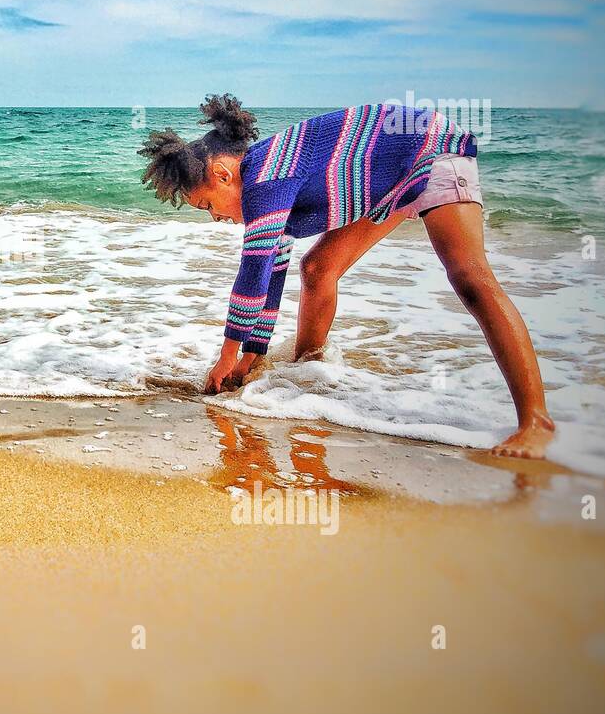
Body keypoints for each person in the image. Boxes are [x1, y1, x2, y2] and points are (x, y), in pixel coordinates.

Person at [138, 95, 555, 459]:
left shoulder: (264, 177)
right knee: (318, 268)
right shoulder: (265, 181)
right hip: (389, 180)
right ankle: (307, 374)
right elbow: (273, 271)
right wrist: (252, 353)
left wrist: (227, 355)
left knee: (470, 279)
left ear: (223, 175)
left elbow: (253, 273)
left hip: (431, 152)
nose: (216, 217)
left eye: (208, 205)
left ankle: (536, 421)